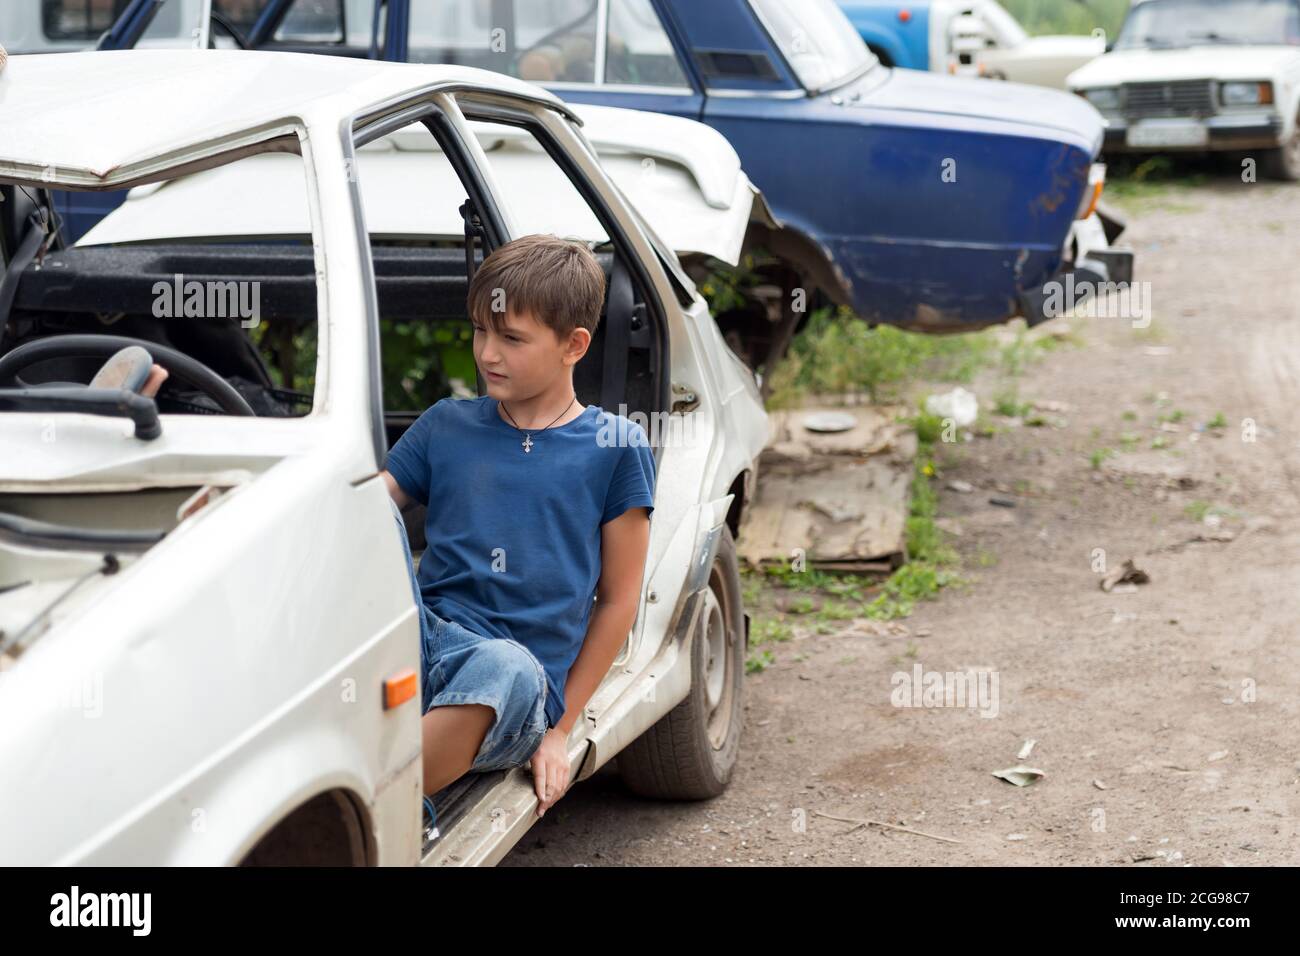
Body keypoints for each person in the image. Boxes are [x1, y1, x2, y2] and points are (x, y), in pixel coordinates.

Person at [380, 234, 655, 839]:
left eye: (511, 338)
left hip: (518, 684)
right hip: (421, 641)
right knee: (368, 513)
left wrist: (560, 731)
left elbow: (618, 601)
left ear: (573, 346)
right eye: (480, 331)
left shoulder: (614, 448)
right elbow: (367, 508)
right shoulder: (446, 424)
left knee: (502, 667)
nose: (487, 354)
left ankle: (380, 802)